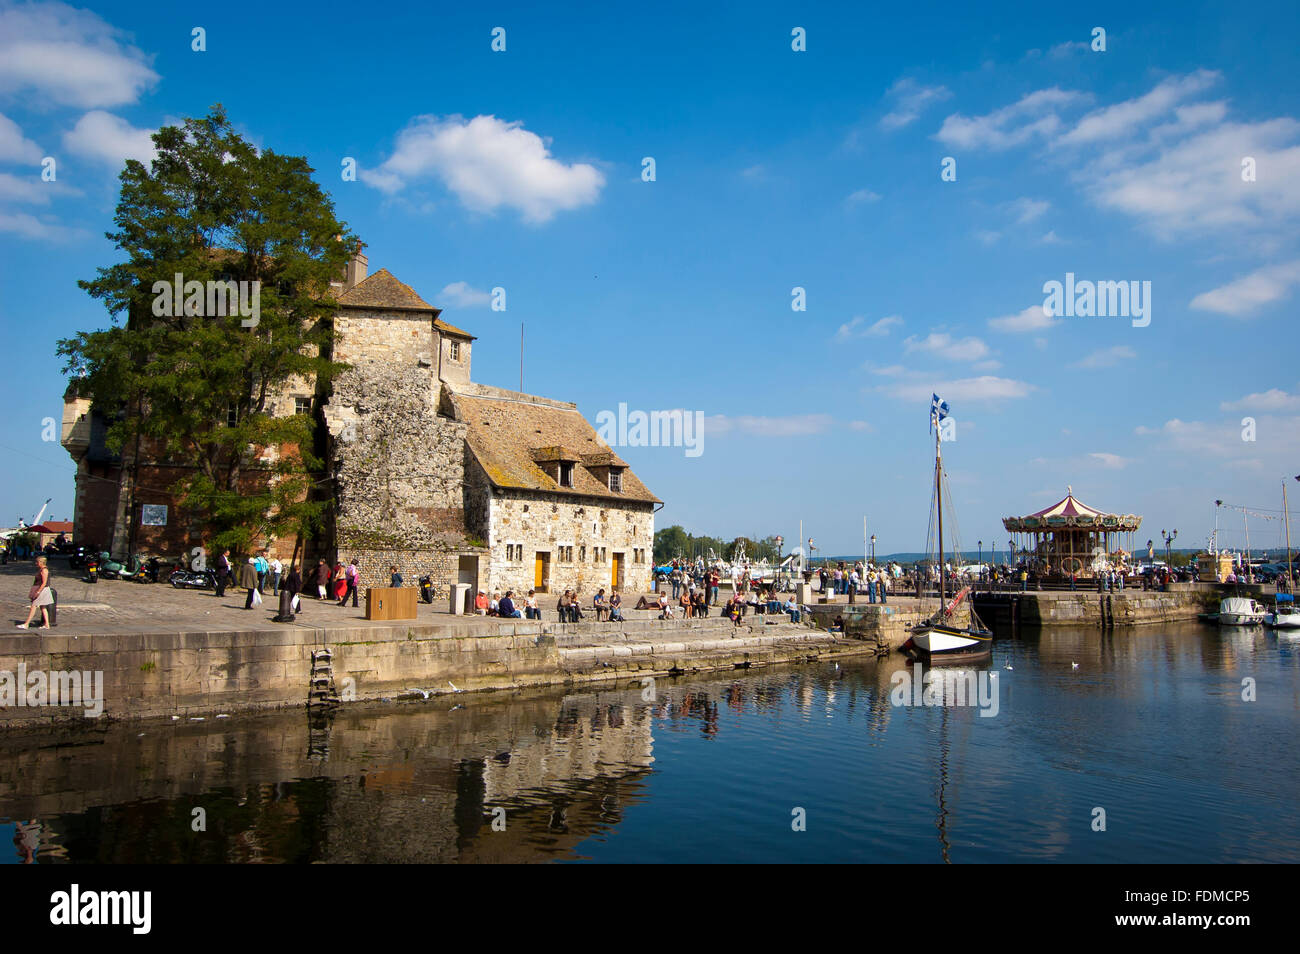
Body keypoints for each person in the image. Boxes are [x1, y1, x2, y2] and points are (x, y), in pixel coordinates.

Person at [16, 556, 54, 629]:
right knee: (43, 607)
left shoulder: (44, 570)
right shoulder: (41, 570)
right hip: (42, 589)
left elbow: (44, 582)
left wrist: (38, 591)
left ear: (41, 562)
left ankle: (27, 624)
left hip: (42, 590)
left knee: (34, 606)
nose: (36, 563)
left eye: (37, 562)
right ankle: (47, 625)